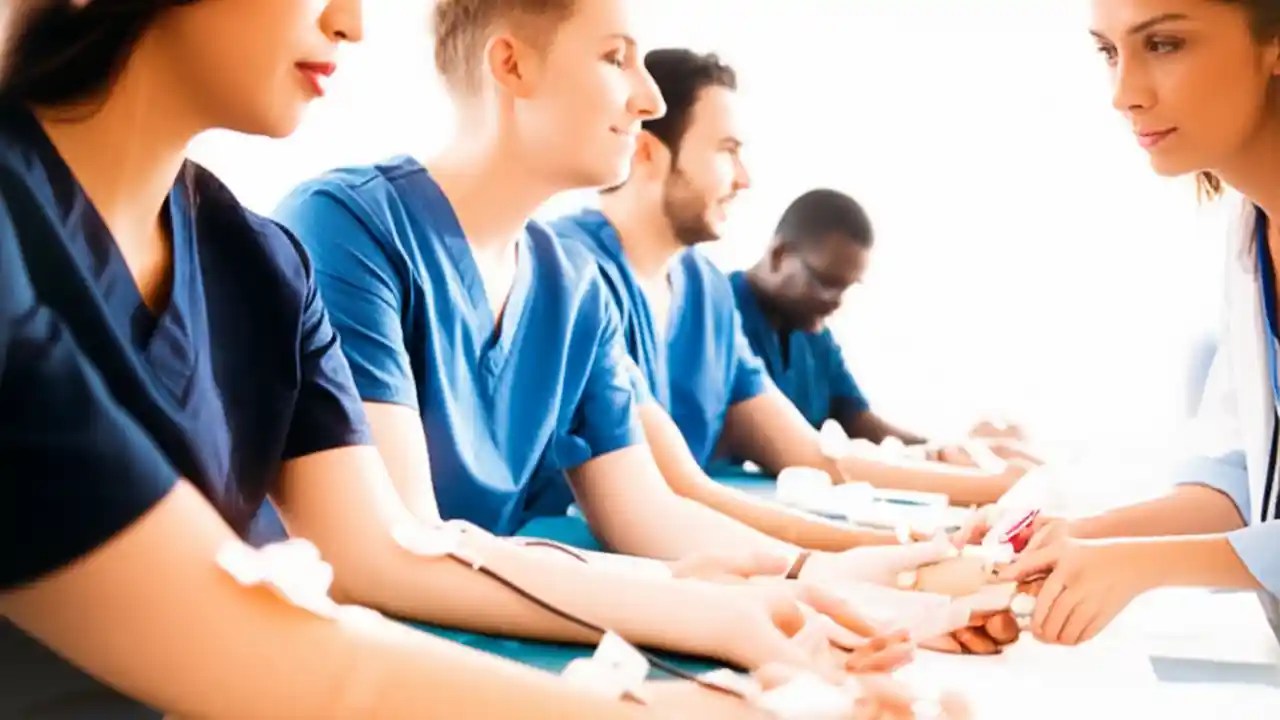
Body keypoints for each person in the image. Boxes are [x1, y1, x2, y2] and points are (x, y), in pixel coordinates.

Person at [0, 1, 925, 715]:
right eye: (614, 58)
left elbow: (384, 550)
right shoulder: (337, 226)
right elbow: (263, 639)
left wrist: (732, 615)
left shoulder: (263, 266)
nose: (353, 23)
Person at [276, 0, 1002, 660]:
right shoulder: (349, 230)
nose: (649, 99)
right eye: (615, 57)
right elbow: (401, 546)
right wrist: (708, 607)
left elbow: (647, 512)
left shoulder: (574, 289)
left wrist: (836, 574)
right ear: (512, 65)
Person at [970, 0, 1280, 647]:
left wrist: (1141, 564)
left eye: (1164, 44)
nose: (1123, 93)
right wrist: (1072, 538)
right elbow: (1239, 485)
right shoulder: (1250, 231)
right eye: (1109, 52)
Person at [733, 189, 1035, 460]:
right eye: (827, 283)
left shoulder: (814, 334)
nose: (837, 302)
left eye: (848, 288)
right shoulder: (721, 313)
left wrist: (955, 449)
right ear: (780, 255)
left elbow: (860, 423)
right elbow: (782, 443)